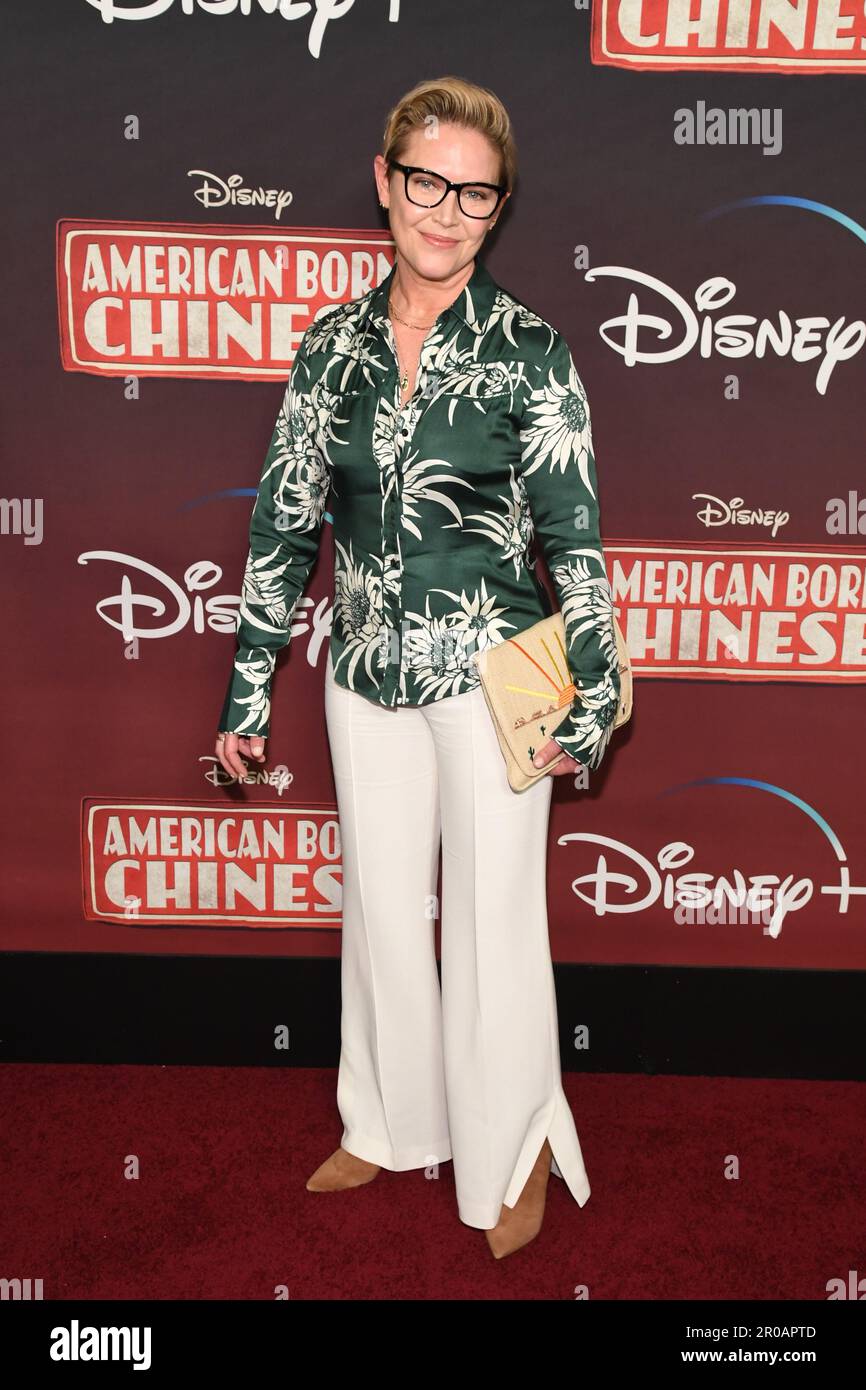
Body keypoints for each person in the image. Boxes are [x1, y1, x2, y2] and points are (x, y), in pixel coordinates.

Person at [215, 76, 621, 1259]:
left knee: (493, 922)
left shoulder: (531, 353)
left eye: (474, 195)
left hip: (498, 679)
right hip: (364, 672)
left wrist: (590, 700)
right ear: (386, 181)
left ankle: (514, 1146)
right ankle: (390, 1121)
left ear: (496, 210)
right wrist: (248, 688)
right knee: (383, 912)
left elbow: (575, 547)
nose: (445, 212)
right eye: (426, 183)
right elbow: (286, 525)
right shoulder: (327, 346)